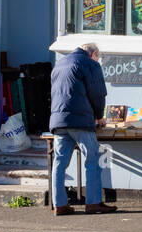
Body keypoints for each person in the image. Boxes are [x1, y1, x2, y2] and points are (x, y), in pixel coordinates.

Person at [48, 43, 117, 216]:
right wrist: (99, 116)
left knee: (59, 163)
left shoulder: (60, 64)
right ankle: (93, 203)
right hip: (80, 121)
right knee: (92, 160)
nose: (97, 61)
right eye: (98, 58)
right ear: (93, 54)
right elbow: (97, 93)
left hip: (59, 121)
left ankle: (59, 205)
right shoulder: (90, 64)